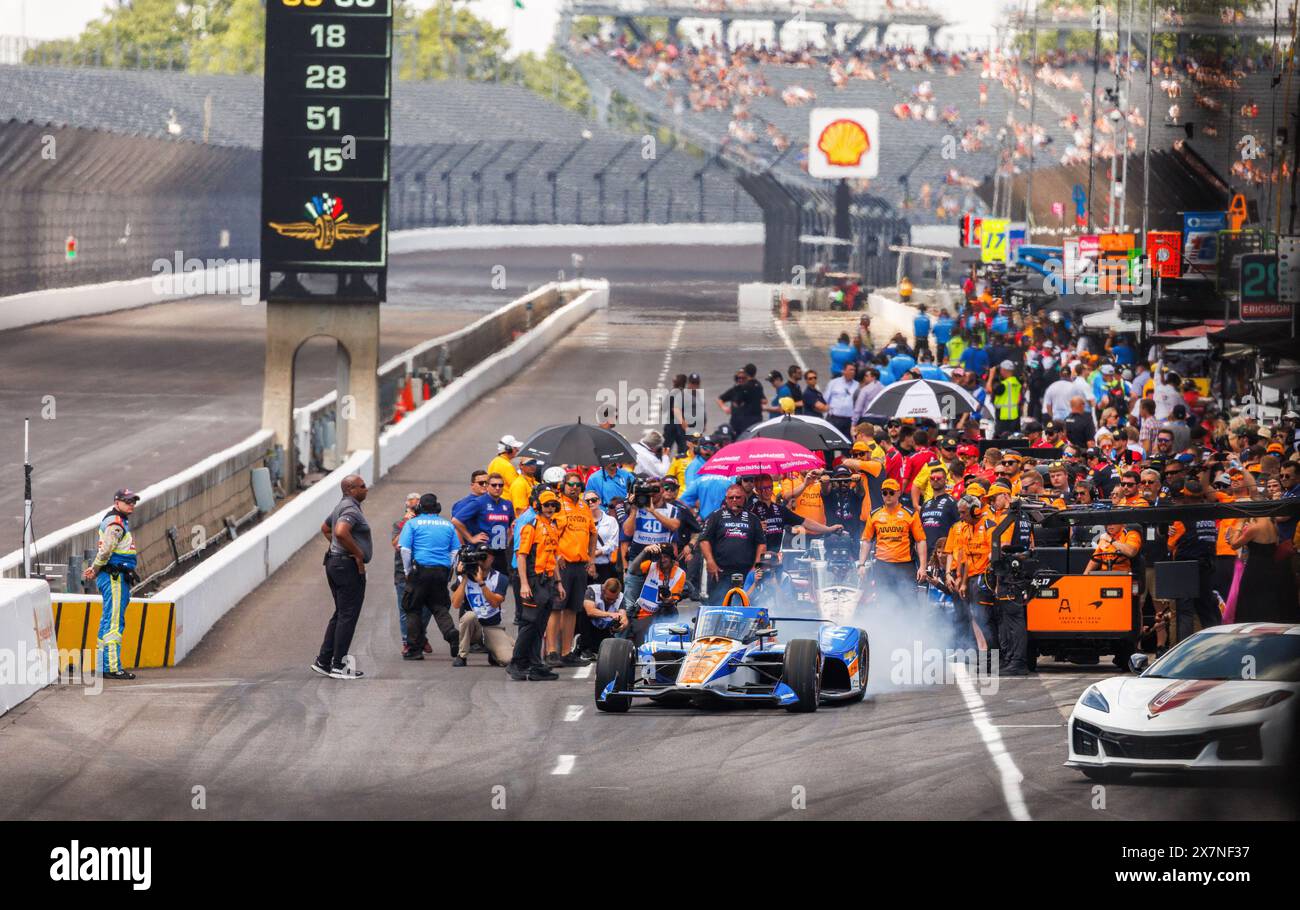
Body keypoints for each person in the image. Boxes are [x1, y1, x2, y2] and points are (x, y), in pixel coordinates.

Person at [312, 474, 371, 679]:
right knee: (348, 615)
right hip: (346, 566)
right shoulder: (350, 509)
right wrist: (356, 553)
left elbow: (325, 528)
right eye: (362, 486)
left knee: (341, 613)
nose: (366, 488)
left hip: (335, 562)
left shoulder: (342, 505)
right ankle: (338, 665)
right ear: (351, 489)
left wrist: (338, 547)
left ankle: (324, 660)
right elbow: (339, 531)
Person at [83, 488, 141, 680]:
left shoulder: (118, 520)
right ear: (117, 503)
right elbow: (106, 550)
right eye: (127, 501)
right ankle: (112, 667)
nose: (131, 504)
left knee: (108, 620)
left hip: (113, 576)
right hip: (114, 577)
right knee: (114, 622)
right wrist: (95, 568)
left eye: (133, 501)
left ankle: (102, 665)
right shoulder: (116, 523)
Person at [398, 493, 461, 661]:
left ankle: (414, 649)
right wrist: (449, 569)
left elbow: (404, 549)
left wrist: (407, 571)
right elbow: (455, 550)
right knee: (439, 606)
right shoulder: (448, 525)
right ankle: (451, 633)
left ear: (419, 508)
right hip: (441, 571)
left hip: (420, 571)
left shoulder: (412, 524)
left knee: (412, 608)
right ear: (437, 507)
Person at [509, 490, 563, 681]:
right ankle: (517, 662)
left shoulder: (552, 526)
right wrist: (524, 583)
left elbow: (553, 557)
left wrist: (558, 582)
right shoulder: (530, 526)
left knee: (540, 624)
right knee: (529, 623)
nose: (550, 508)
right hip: (532, 579)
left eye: (552, 505)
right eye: (546, 505)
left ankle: (535, 664)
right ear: (538, 506)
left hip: (547, 581)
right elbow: (521, 555)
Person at [546, 472, 598, 667]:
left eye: (578, 484)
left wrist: (591, 558)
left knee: (573, 610)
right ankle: (552, 651)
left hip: (580, 564)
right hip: (563, 564)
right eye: (571, 484)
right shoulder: (556, 505)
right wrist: (556, 555)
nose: (574, 487)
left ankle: (566, 652)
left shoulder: (584, 506)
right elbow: (549, 531)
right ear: (563, 485)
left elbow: (593, 533)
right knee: (556, 608)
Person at [859, 478, 927, 606]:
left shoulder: (910, 514)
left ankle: (911, 625)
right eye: (885, 492)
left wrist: (923, 567)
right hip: (882, 566)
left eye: (891, 492)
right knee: (884, 601)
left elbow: (921, 540)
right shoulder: (874, 514)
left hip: (905, 565)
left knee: (909, 601)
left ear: (899, 493)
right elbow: (866, 540)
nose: (888, 495)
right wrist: (861, 564)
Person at [699, 485, 766, 604]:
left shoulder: (753, 518)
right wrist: (710, 561)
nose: (734, 500)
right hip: (720, 572)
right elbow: (704, 540)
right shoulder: (716, 516)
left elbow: (761, 544)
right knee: (717, 606)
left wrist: (756, 565)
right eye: (731, 498)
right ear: (726, 499)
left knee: (745, 605)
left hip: (746, 572)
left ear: (744, 498)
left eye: (738, 497)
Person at [451, 546, 513, 667]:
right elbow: (456, 604)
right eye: (480, 556)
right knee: (469, 615)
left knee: (508, 659)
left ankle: (494, 651)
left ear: (492, 558)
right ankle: (462, 656)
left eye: (486, 556)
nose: (483, 559)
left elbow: (495, 603)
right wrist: (464, 579)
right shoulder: (463, 577)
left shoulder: (500, 578)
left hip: (492, 626)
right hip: (473, 628)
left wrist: (481, 583)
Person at [392, 492, 430, 656]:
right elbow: (396, 544)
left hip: (424, 571)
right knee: (405, 609)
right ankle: (408, 641)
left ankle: (419, 635)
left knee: (427, 608)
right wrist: (407, 523)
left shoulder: (426, 524)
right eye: (410, 501)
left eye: (417, 502)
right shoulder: (400, 524)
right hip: (403, 573)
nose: (413, 504)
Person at [451, 472, 515, 569]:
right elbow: (456, 520)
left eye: (500, 485)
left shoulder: (507, 504)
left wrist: (508, 542)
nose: (497, 488)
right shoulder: (479, 502)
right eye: (494, 485)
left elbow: (512, 525)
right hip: (483, 551)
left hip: (501, 552)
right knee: (479, 581)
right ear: (488, 486)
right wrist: (470, 539)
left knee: (502, 581)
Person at [625, 543, 688, 643]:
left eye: (666, 557)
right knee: (641, 644)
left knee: (671, 612)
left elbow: (675, 597)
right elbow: (632, 570)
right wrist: (644, 551)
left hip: (664, 613)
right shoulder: (650, 565)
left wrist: (669, 599)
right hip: (643, 614)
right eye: (660, 557)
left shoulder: (680, 574)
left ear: (671, 558)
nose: (662, 560)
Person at [580, 578, 628, 659]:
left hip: (604, 628)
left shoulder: (621, 597)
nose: (612, 602)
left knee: (608, 651)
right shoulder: (592, 591)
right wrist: (609, 614)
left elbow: (624, 618)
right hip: (590, 625)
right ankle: (584, 647)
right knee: (583, 611)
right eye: (609, 599)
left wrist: (622, 626)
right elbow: (590, 611)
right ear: (603, 590)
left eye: (614, 599)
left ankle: (596, 645)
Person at [717, 364, 765, 436]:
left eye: (743, 378)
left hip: (747, 422)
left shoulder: (749, 388)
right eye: (739, 378)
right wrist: (724, 407)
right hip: (735, 423)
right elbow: (720, 399)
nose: (740, 380)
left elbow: (764, 400)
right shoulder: (735, 390)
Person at [587, 491, 621, 583]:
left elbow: (613, 543)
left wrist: (598, 552)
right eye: (587, 501)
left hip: (605, 564)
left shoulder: (610, 521)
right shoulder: (582, 521)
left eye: (593, 500)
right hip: (586, 564)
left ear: (599, 501)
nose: (590, 502)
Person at [823, 361, 860, 436]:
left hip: (849, 420)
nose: (853, 372)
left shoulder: (857, 385)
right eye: (850, 370)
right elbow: (825, 399)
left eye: (854, 370)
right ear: (844, 371)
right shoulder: (834, 383)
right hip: (835, 418)